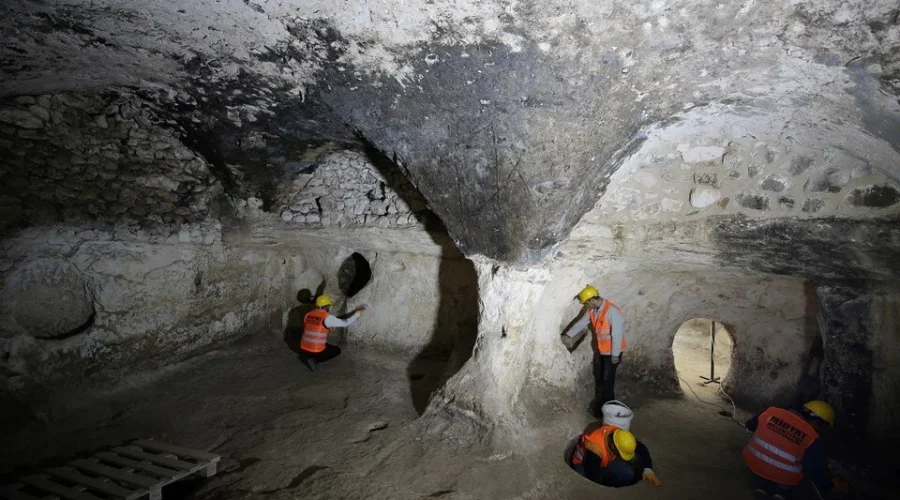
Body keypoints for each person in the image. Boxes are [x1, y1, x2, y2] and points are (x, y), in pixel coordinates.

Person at [744, 400, 838, 499]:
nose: (821, 431)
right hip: (784, 479)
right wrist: (830, 486)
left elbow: (750, 425)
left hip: (753, 463)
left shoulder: (772, 411)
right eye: (822, 427)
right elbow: (815, 471)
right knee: (799, 469)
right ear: (818, 422)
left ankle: (760, 485)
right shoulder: (812, 437)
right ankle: (780, 492)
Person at [560, 285, 626, 415]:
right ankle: (603, 407)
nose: (586, 305)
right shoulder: (593, 311)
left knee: (607, 382)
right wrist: (568, 335)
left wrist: (615, 355)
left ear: (591, 300)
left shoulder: (612, 311)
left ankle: (607, 412)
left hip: (612, 353)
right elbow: (582, 323)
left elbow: (617, 335)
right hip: (603, 351)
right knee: (602, 379)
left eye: (586, 302)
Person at [569, 422, 660, 488]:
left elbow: (641, 448)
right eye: (620, 453)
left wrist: (648, 469)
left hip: (602, 461)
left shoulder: (619, 436)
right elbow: (592, 475)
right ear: (613, 447)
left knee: (627, 473)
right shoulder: (595, 448)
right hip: (582, 463)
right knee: (587, 485)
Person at [299, 294, 365, 371]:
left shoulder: (308, 314)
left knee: (325, 345)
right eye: (328, 306)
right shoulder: (327, 317)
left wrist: (327, 328)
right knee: (336, 351)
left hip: (304, 347)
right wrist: (357, 314)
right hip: (315, 349)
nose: (329, 308)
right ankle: (315, 360)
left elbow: (313, 328)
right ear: (326, 306)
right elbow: (345, 323)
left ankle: (307, 354)